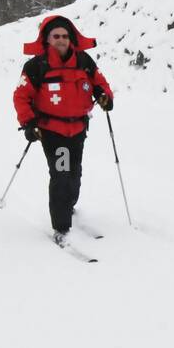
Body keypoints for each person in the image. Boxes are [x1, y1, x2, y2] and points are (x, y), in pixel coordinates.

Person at [12, 15, 114, 243]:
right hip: (52, 131)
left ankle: (69, 205)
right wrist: (28, 123)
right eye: (56, 36)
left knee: (74, 173)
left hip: (78, 128)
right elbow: (21, 96)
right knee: (60, 174)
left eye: (65, 36)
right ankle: (61, 226)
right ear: (47, 39)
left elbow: (100, 83)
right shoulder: (36, 66)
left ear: (71, 38)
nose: (61, 40)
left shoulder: (84, 61)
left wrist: (105, 97)